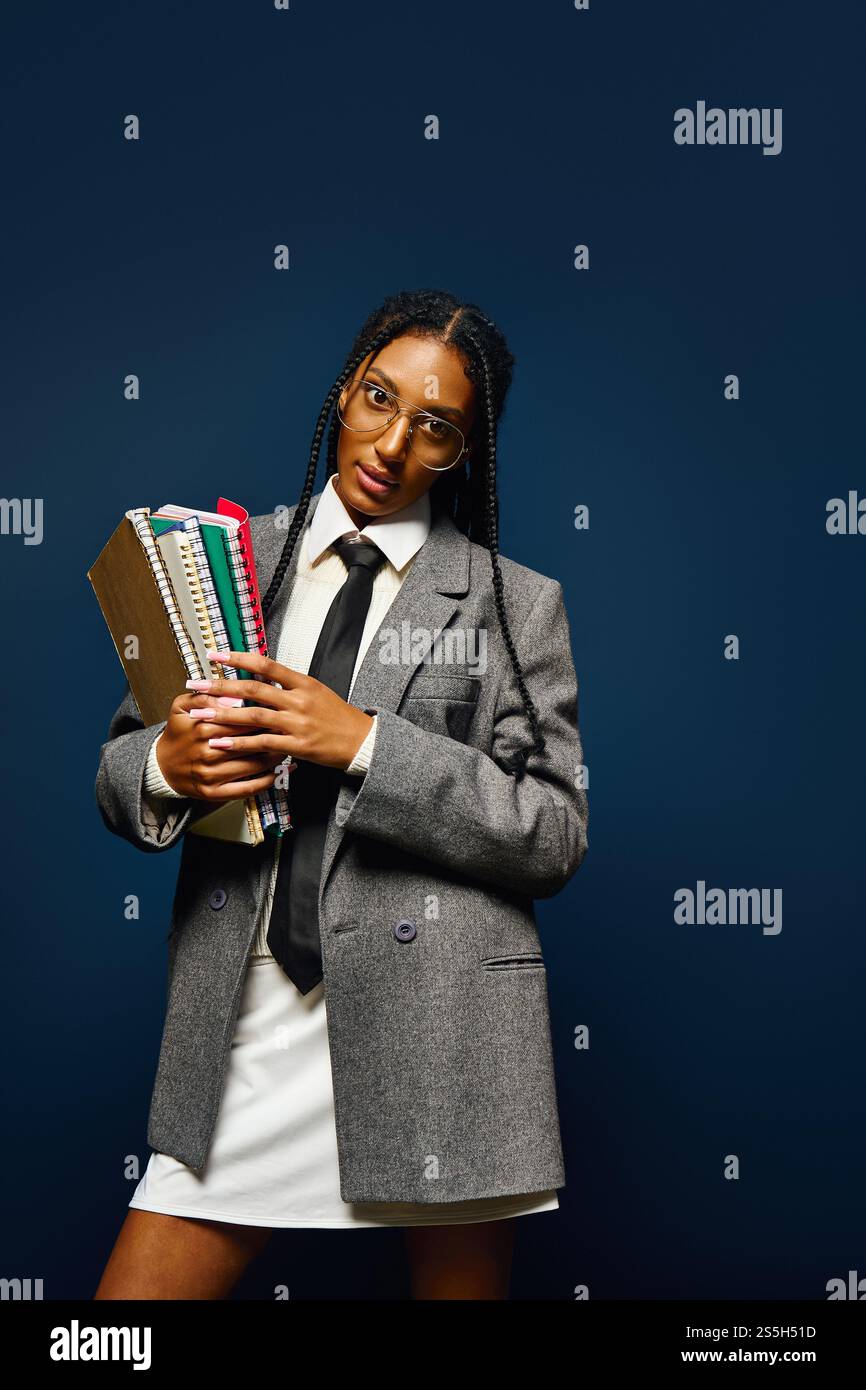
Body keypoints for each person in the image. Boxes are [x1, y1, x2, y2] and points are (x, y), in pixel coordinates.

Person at [93, 288, 589, 1300]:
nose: (393, 443)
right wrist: (166, 768)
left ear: (465, 452)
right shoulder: (235, 557)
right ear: (345, 389)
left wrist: (365, 744)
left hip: (440, 1038)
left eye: (435, 426)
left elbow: (552, 831)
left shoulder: (513, 603)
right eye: (378, 397)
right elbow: (119, 764)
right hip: (245, 1026)